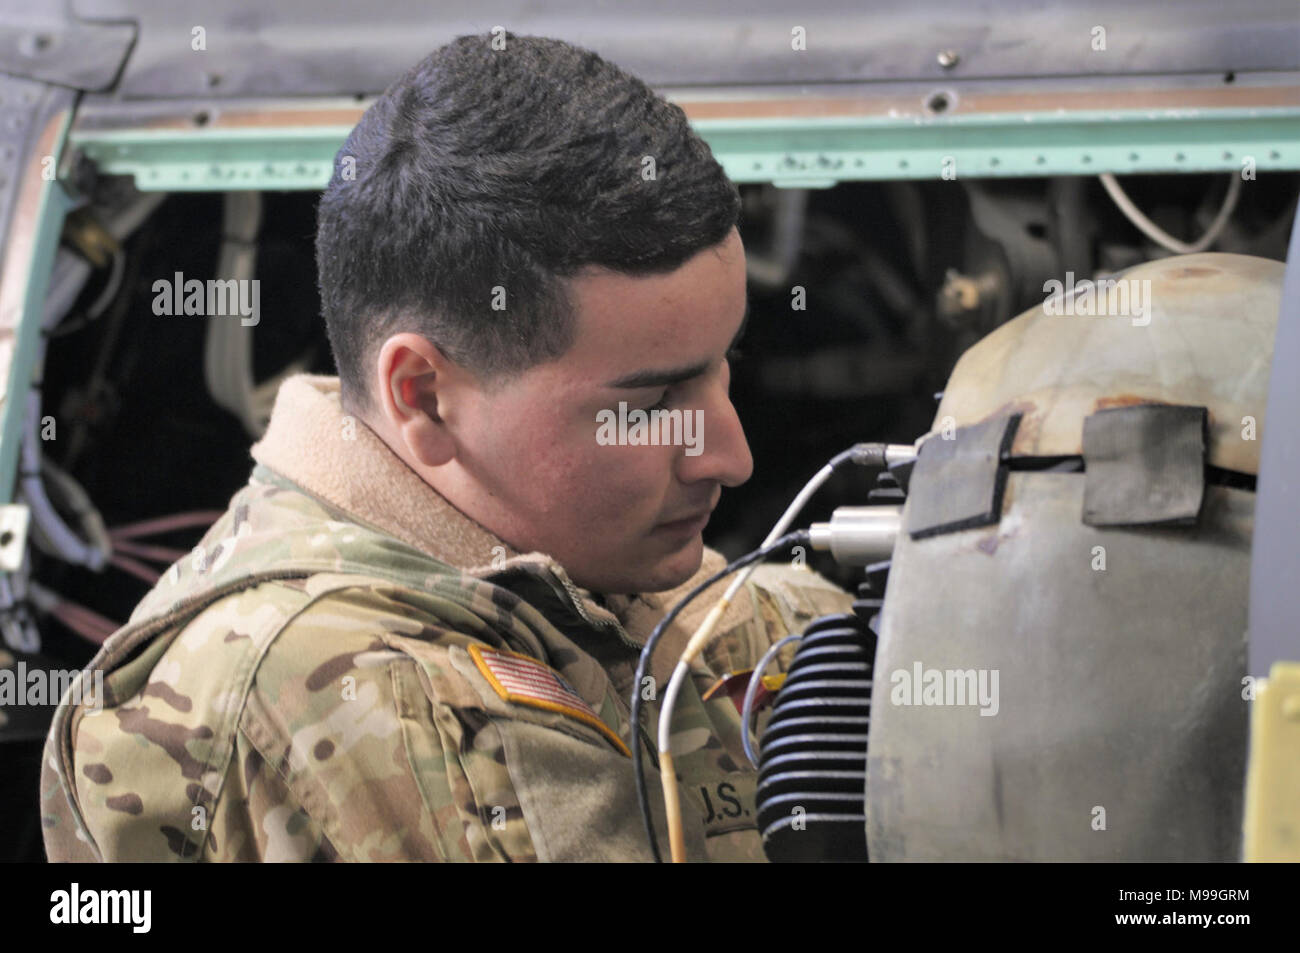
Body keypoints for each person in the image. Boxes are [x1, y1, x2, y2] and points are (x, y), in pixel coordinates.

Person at [40, 32, 853, 862]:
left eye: (727, 367)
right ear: (424, 396)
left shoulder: (574, 559)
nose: (730, 456)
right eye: (652, 404)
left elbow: (757, 620)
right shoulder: (341, 686)